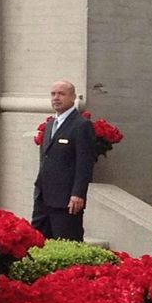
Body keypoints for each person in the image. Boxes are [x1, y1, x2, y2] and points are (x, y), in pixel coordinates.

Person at [32, 80, 98, 241]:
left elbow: (85, 163)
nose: (56, 98)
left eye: (61, 94)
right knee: (37, 244)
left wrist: (78, 194)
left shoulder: (81, 125)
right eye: (53, 94)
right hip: (44, 199)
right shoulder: (50, 125)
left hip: (66, 201)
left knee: (67, 242)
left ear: (73, 97)